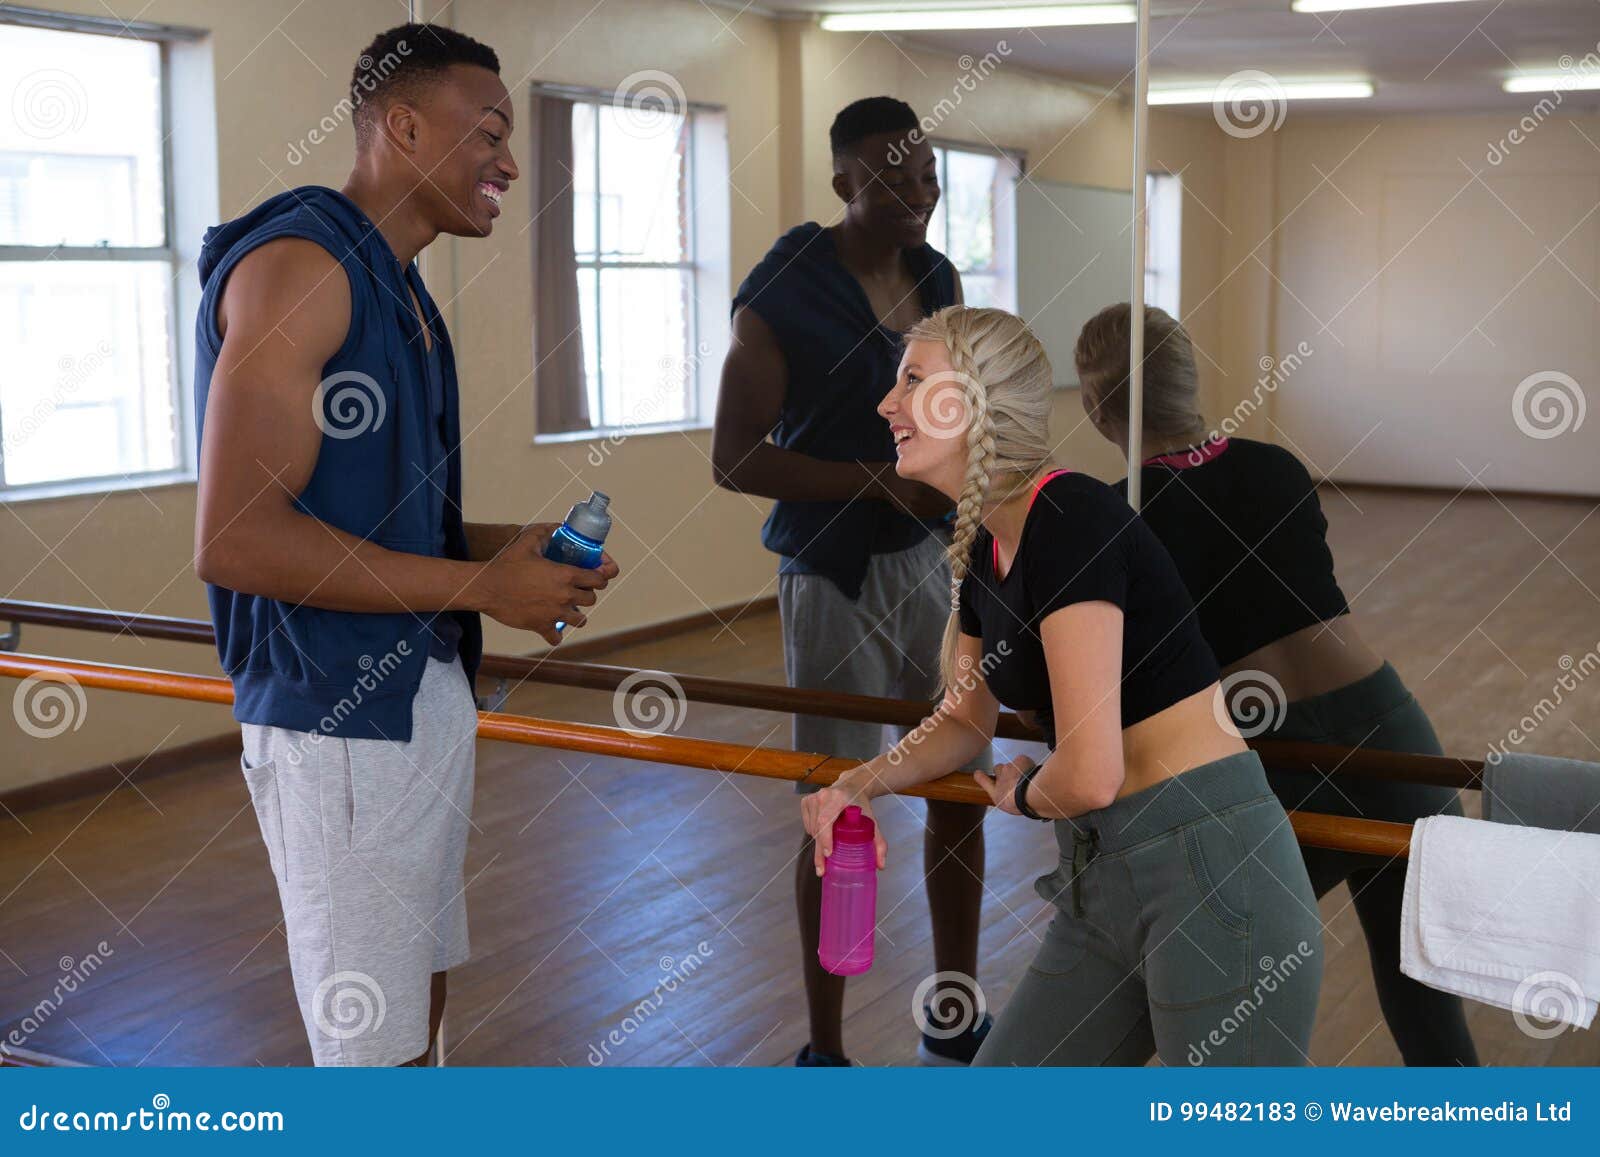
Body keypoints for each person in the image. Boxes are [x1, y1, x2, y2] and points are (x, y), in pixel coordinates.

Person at [192, 24, 618, 1066]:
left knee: (415, 1017)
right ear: (405, 126)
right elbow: (238, 538)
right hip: (336, 715)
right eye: (490, 135)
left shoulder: (398, 284)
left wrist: (505, 553)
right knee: (368, 1056)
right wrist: (483, 584)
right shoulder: (302, 268)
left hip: (416, 693)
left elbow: (368, 519)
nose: (508, 164)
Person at [803, 305, 1324, 1066]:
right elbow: (964, 720)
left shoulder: (1069, 515)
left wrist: (1021, 792)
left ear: (975, 401)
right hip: (1102, 875)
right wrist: (858, 782)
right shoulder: (988, 547)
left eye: (911, 380)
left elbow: (1089, 772)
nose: (887, 404)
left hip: (1213, 872)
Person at [1074, 302, 1478, 1066]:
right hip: (1391, 736)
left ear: (1096, 407)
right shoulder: (1278, 468)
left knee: (1184, 985)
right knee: (1431, 1022)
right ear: (1191, 379)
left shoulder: (1118, 514)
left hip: (1275, 765)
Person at [712, 97, 993, 1066]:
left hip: (933, 564)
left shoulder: (935, 276)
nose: (918, 193)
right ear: (843, 181)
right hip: (834, 577)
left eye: (927, 176)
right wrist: (876, 481)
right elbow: (734, 457)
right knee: (842, 808)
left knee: (958, 786)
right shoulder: (784, 290)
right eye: (892, 176)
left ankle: (953, 1017)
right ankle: (827, 1050)